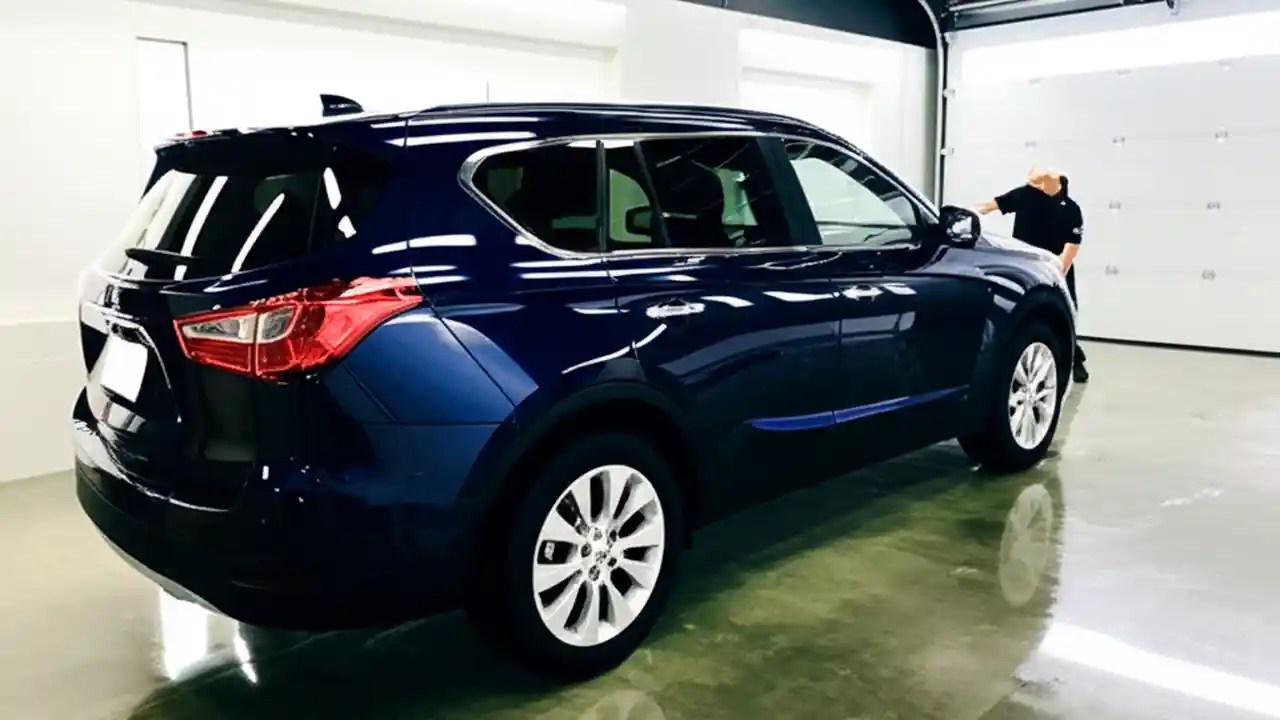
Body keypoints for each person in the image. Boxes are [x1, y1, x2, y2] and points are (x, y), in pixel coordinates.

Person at [976, 168, 1089, 382]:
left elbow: (1071, 246)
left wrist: (1056, 272)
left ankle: (1074, 361)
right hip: (1025, 268)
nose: (1033, 187)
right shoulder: (1024, 195)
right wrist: (971, 211)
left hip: (1055, 268)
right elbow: (993, 204)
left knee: (1063, 315)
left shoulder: (1071, 210)